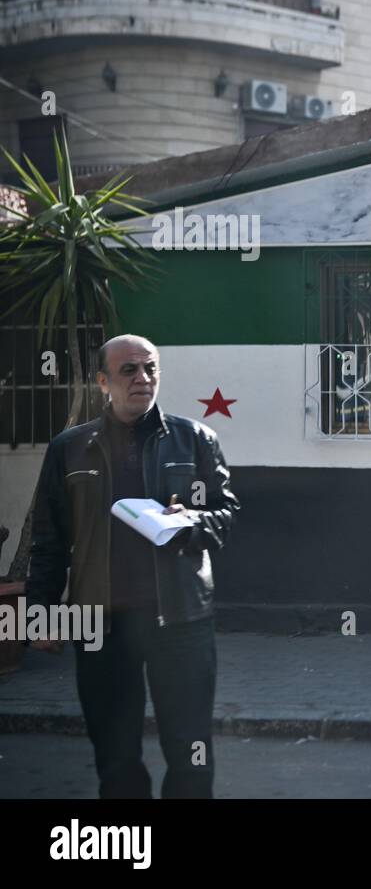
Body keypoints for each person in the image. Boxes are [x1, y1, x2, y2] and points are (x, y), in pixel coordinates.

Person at [27, 335, 239, 798]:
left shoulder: (196, 439)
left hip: (181, 620)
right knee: (116, 755)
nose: (142, 378)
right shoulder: (69, 448)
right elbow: (49, 539)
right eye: (128, 370)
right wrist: (41, 611)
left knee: (190, 750)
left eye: (151, 368)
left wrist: (186, 521)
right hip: (102, 624)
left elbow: (225, 518)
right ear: (103, 381)